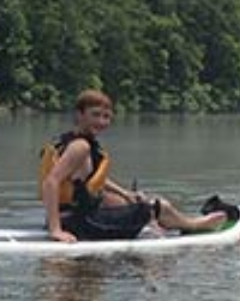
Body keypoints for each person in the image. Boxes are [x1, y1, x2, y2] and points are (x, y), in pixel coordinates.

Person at [39, 88, 225, 243]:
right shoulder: (80, 146)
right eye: (95, 115)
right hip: (77, 223)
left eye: (106, 117)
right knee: (151, 207)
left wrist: (125, 194)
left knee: (129, 201)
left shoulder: (75, 142)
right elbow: (51, 182)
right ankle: (193, 225)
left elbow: (89, 180)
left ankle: (184, 224)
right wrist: (56, 230)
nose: (102, 122)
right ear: (79, 114)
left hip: (74, 218)